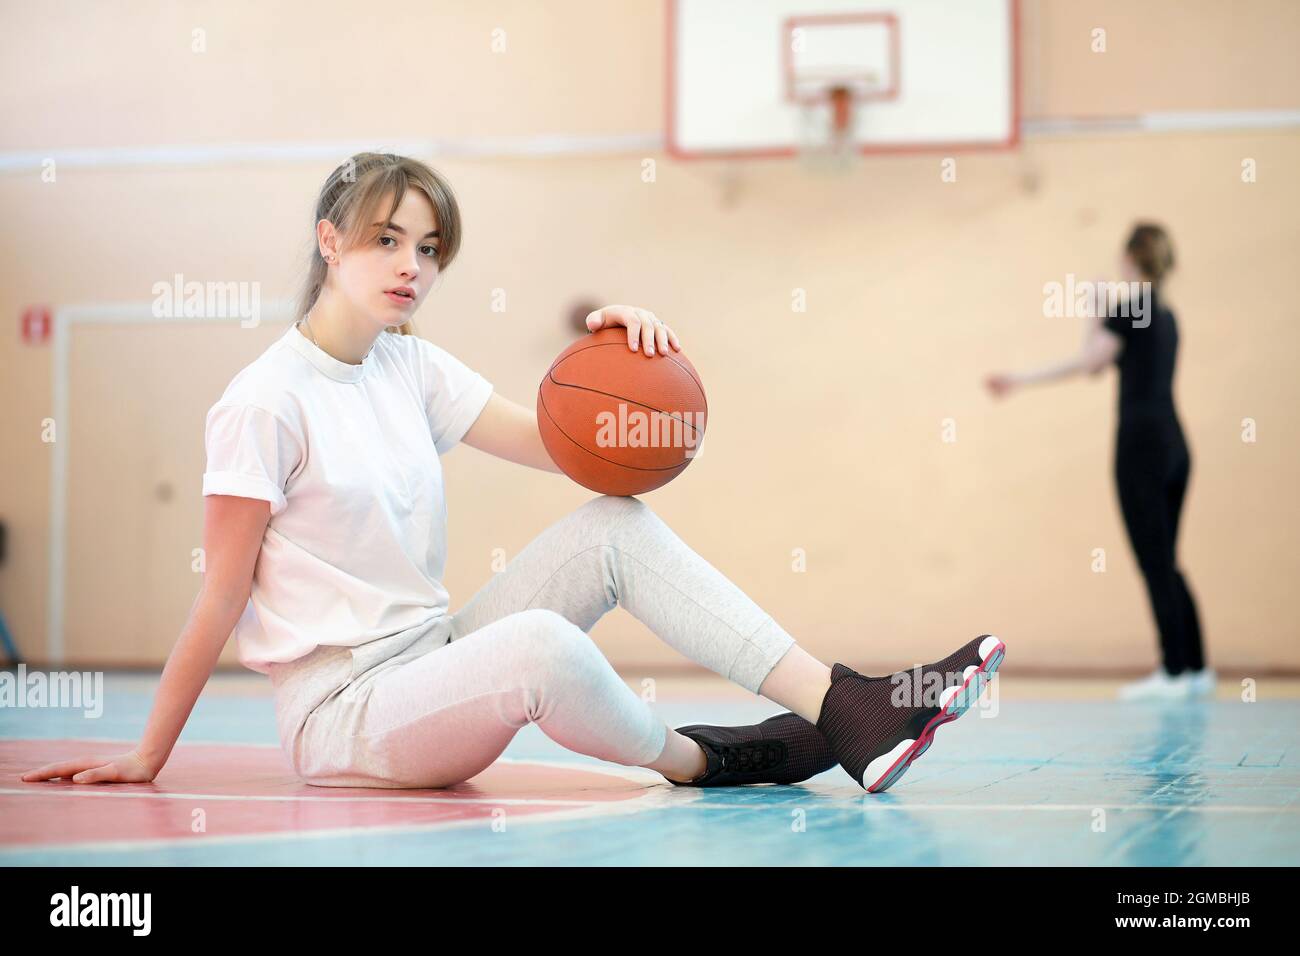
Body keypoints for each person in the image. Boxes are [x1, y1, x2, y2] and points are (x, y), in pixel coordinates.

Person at [22, 153, 1003, 794]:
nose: (413, 264)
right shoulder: (264, 400)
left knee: (609, 522)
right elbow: (219, 594)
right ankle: (707, 755)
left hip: (434, 651)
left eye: (430, 247)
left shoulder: (410, 364)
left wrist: (630, 355)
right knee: (534, 643)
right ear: (330, 239)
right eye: (386, 238)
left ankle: (844, 707)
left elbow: (560, 443)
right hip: (343, 715)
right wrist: (148, 753)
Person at [986, 223, 1211, 701]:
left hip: (1142, 448)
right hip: (1175, 444)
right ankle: (1195, 668)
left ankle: (1173, 672)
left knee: (1153, 559)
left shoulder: (1130, 310)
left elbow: (1089, 365)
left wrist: (1094, 310)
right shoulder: (1167, 314)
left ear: (1130, 259)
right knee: (1167, 558)